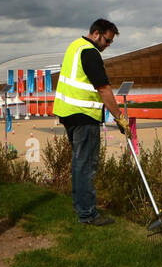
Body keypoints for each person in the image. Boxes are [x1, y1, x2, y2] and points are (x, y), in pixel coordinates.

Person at [53, 18, 127, 225]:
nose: (107, 45)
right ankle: (87, 214)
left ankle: (81, 207)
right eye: (107, 40)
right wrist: (120, 119)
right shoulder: (90, 52)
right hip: (84, 116)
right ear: (96, 33)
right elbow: (103, 88)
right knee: (86, 165)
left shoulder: (74, 47)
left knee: (79, 163)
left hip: (69, 114)